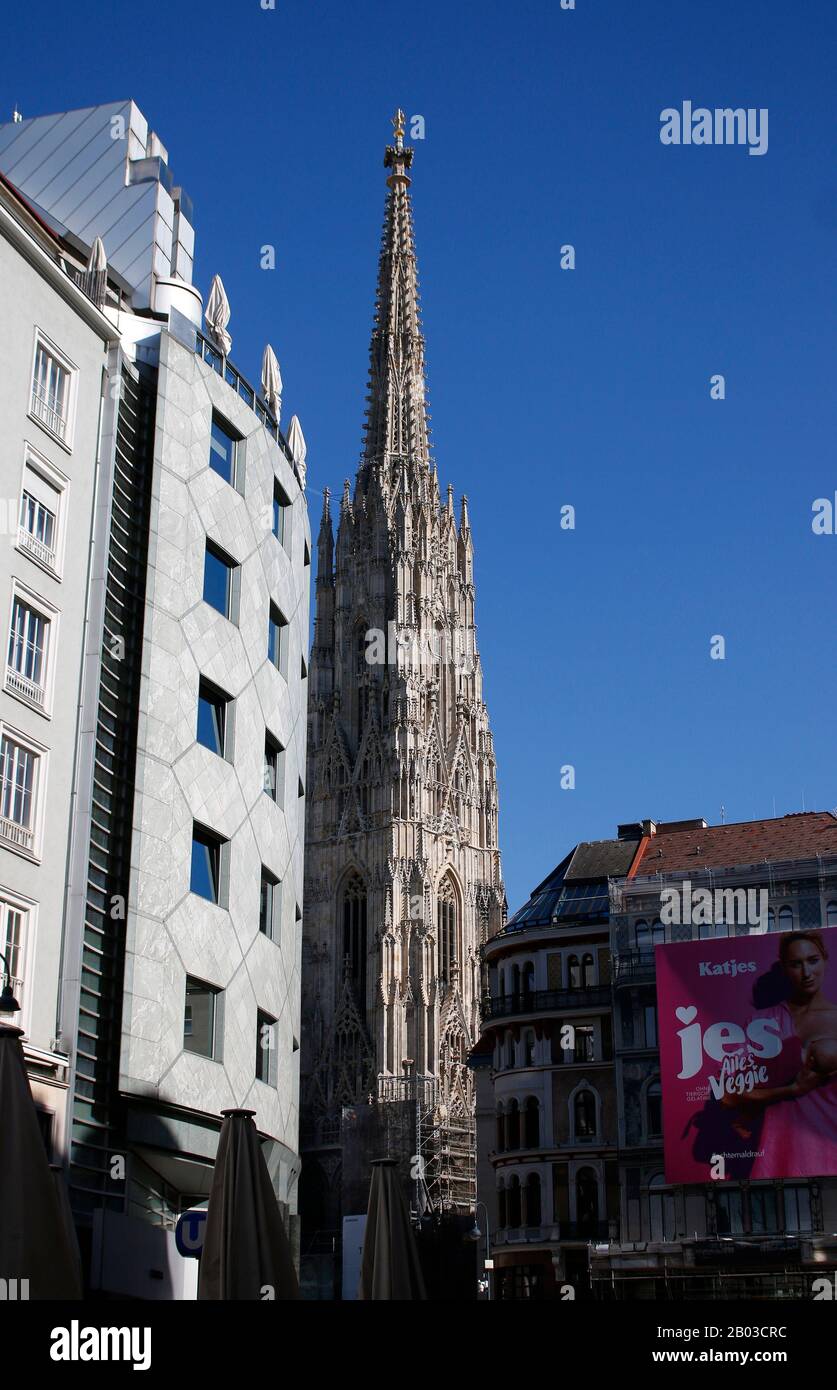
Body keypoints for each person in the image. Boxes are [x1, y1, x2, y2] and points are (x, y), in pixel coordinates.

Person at [720, 931, 837, 1177]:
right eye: (796, 964)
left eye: (813, 960)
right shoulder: (762, 1022)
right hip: (776, 1160)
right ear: (785, 968)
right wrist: (791, 1090)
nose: (806, 973)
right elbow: (727, 1096)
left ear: (825, 959)